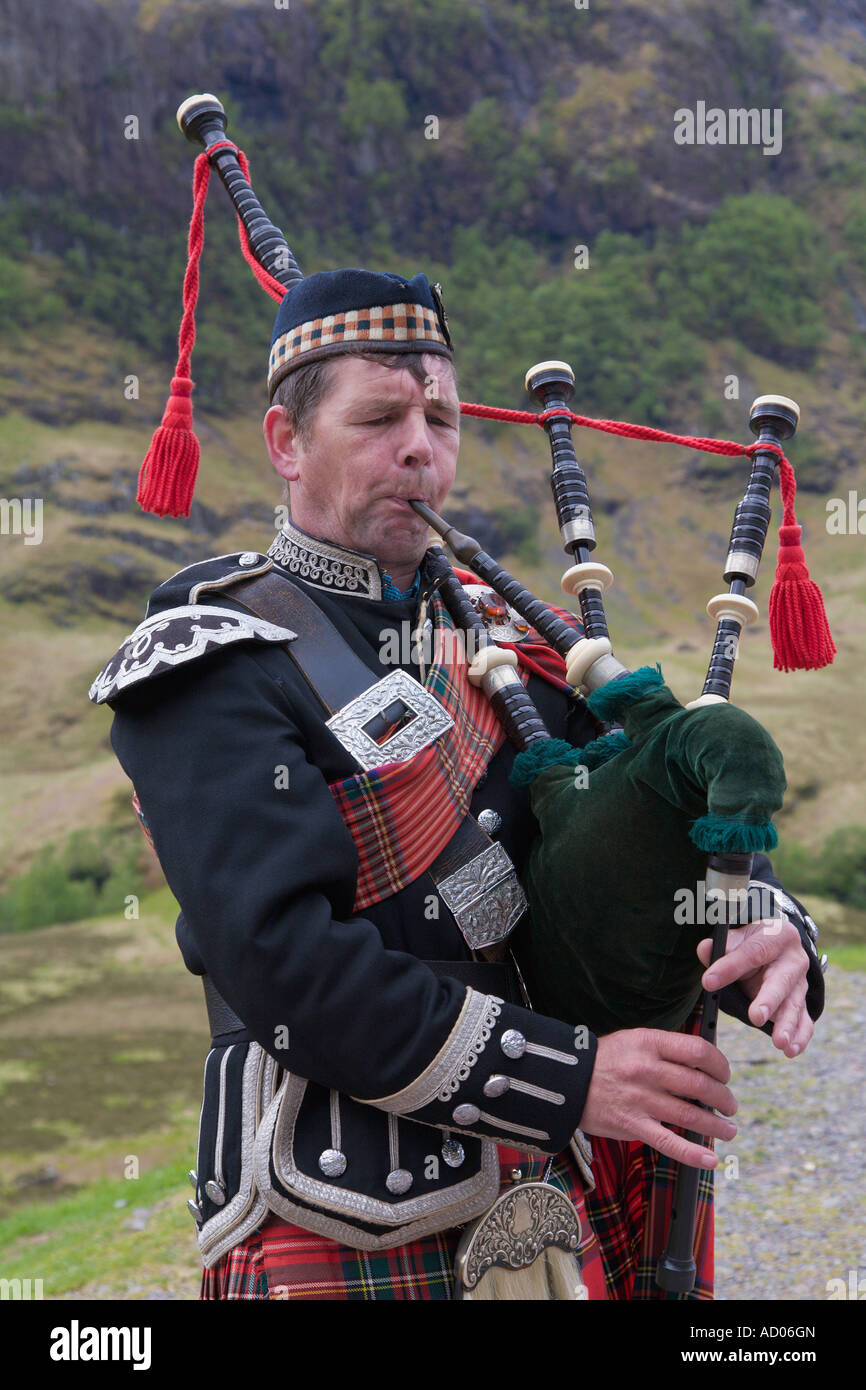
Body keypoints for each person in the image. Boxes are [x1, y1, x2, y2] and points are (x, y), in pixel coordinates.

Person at [90, 268, 825, 1300]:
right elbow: (282, 964)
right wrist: (571, 1080)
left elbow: (626, 828)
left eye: (438, 416)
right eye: (379, 417)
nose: (418, 449)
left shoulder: (503, 642)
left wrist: (754, 921)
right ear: (285, 443)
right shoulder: (211, 664)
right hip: (345, 1210)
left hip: (546, 1189)